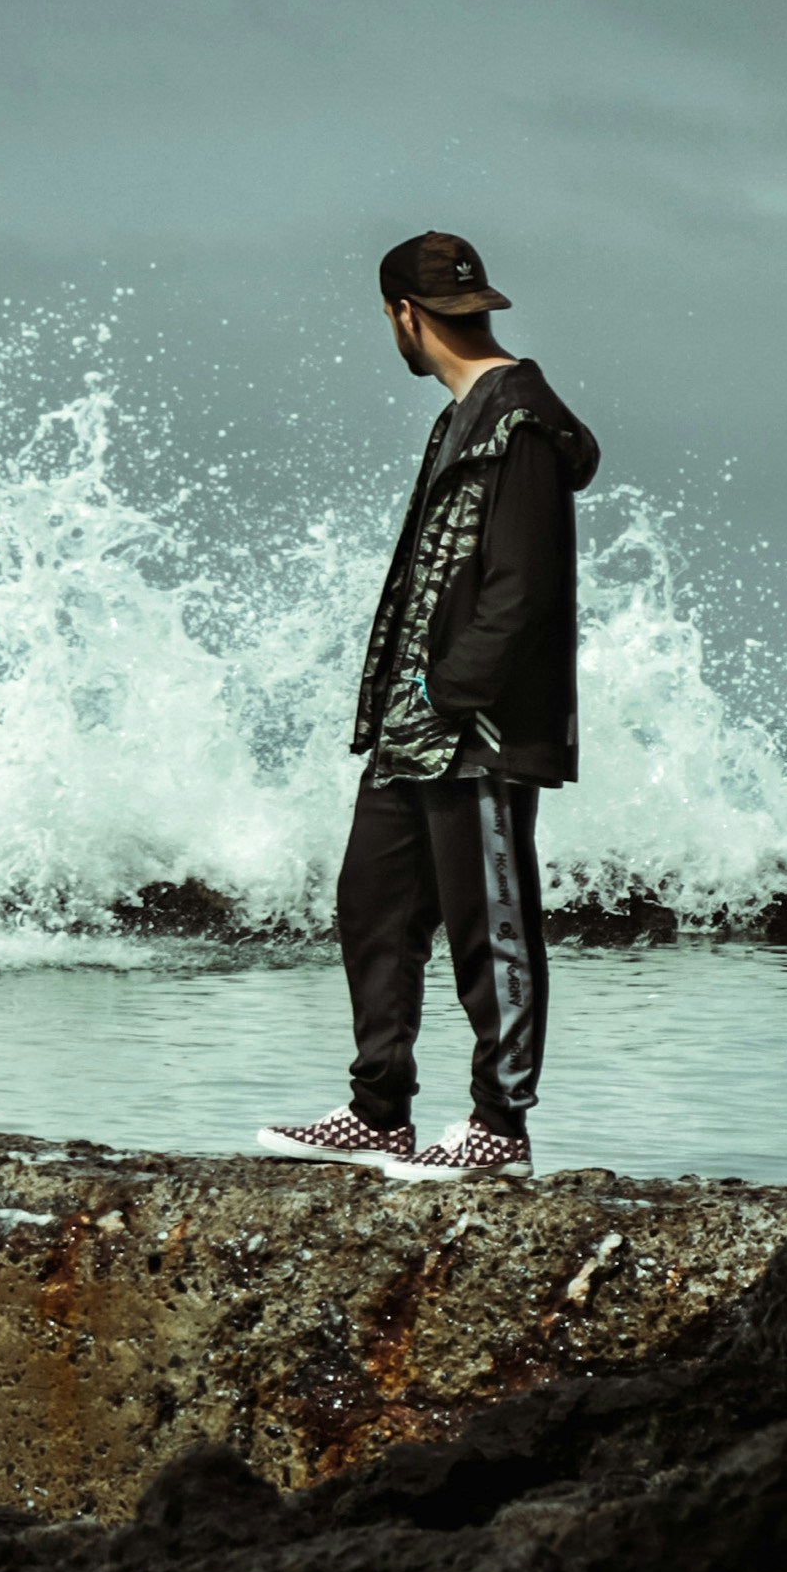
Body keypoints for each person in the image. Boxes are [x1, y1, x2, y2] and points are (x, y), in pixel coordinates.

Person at [257, 231, 599, 1177]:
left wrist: (452, 694)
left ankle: (499, 1128)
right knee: (370, 905)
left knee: (494, 929)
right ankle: (379, 1113)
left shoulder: (516, 423)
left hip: (475, 731)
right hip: (417, 731)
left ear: (405, 319)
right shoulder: (463, 417)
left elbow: (520, 589)